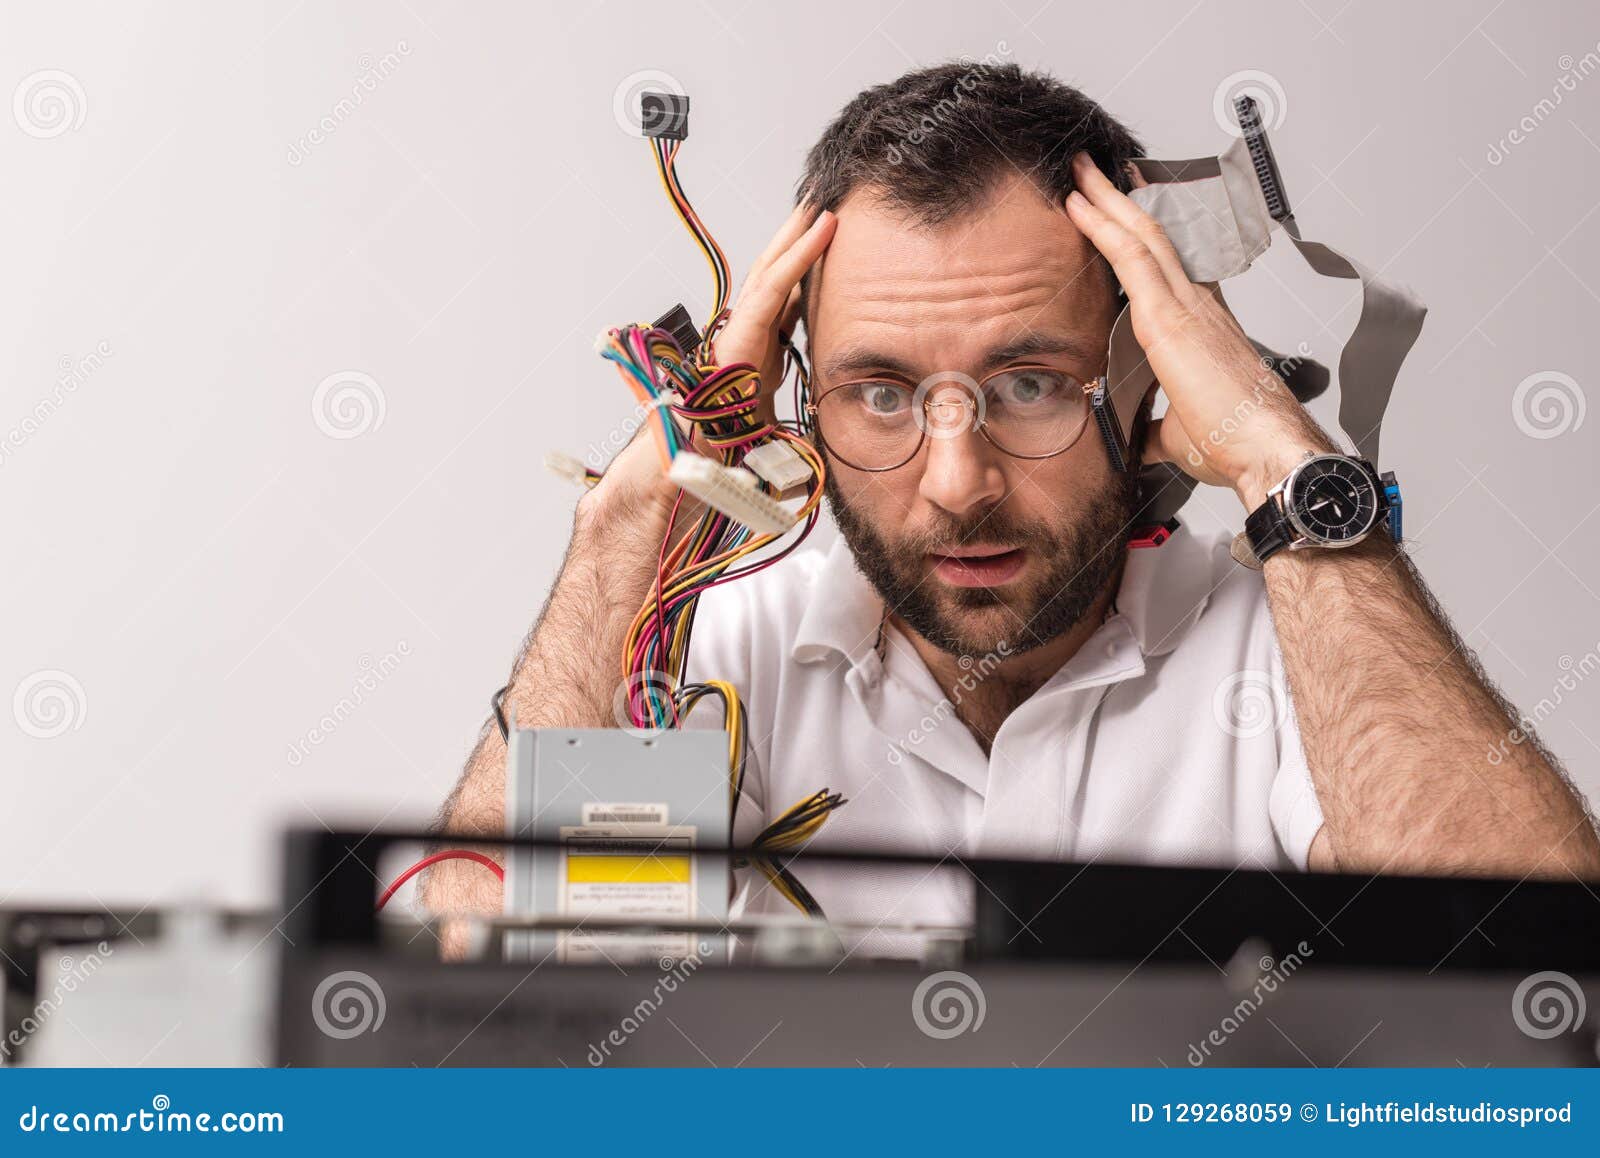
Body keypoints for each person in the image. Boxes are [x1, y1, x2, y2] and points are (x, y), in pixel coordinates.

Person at [424, 63, 1599, 946]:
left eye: (1031, 384)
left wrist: (1277, 457)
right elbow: (465, 1001)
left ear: (1150, 378)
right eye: (877, 393)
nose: (955, 484)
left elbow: (1532, 980)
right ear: (796, 399)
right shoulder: (706, 657)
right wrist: (633, 525)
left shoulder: (1296, 664)